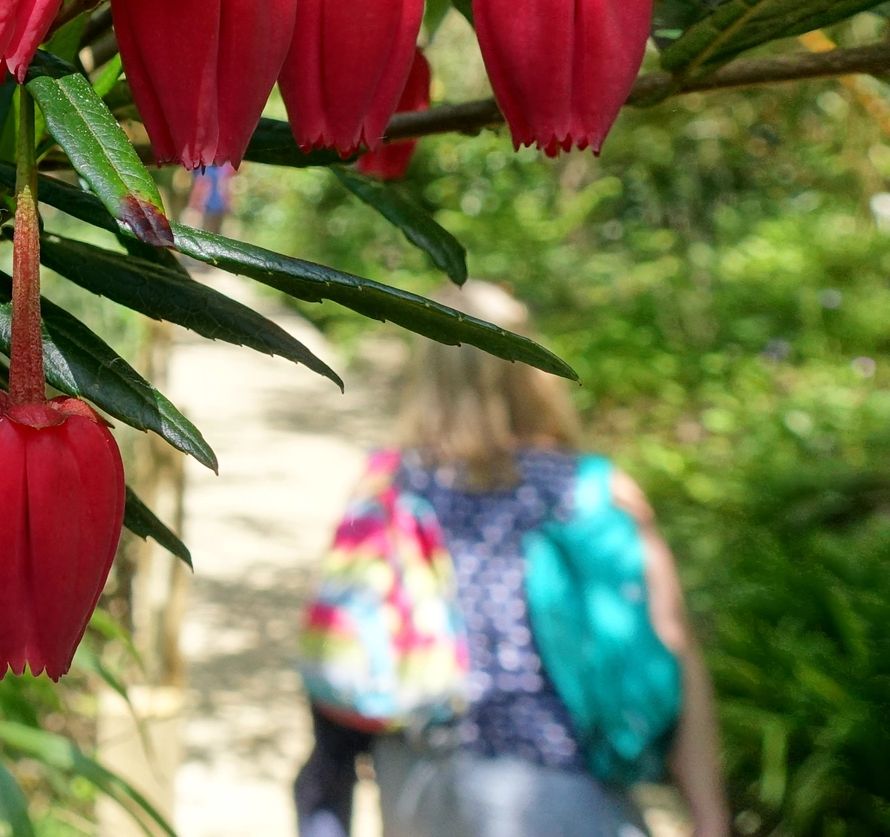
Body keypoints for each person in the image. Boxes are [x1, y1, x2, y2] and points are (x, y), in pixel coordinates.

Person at [294, 284, 728, 837]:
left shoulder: (388, 484)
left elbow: (342, 629)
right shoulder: (589, 490)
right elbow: (672, 645)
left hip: (419, 781)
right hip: (557, 782)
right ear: (530, 369)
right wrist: (710, 819)